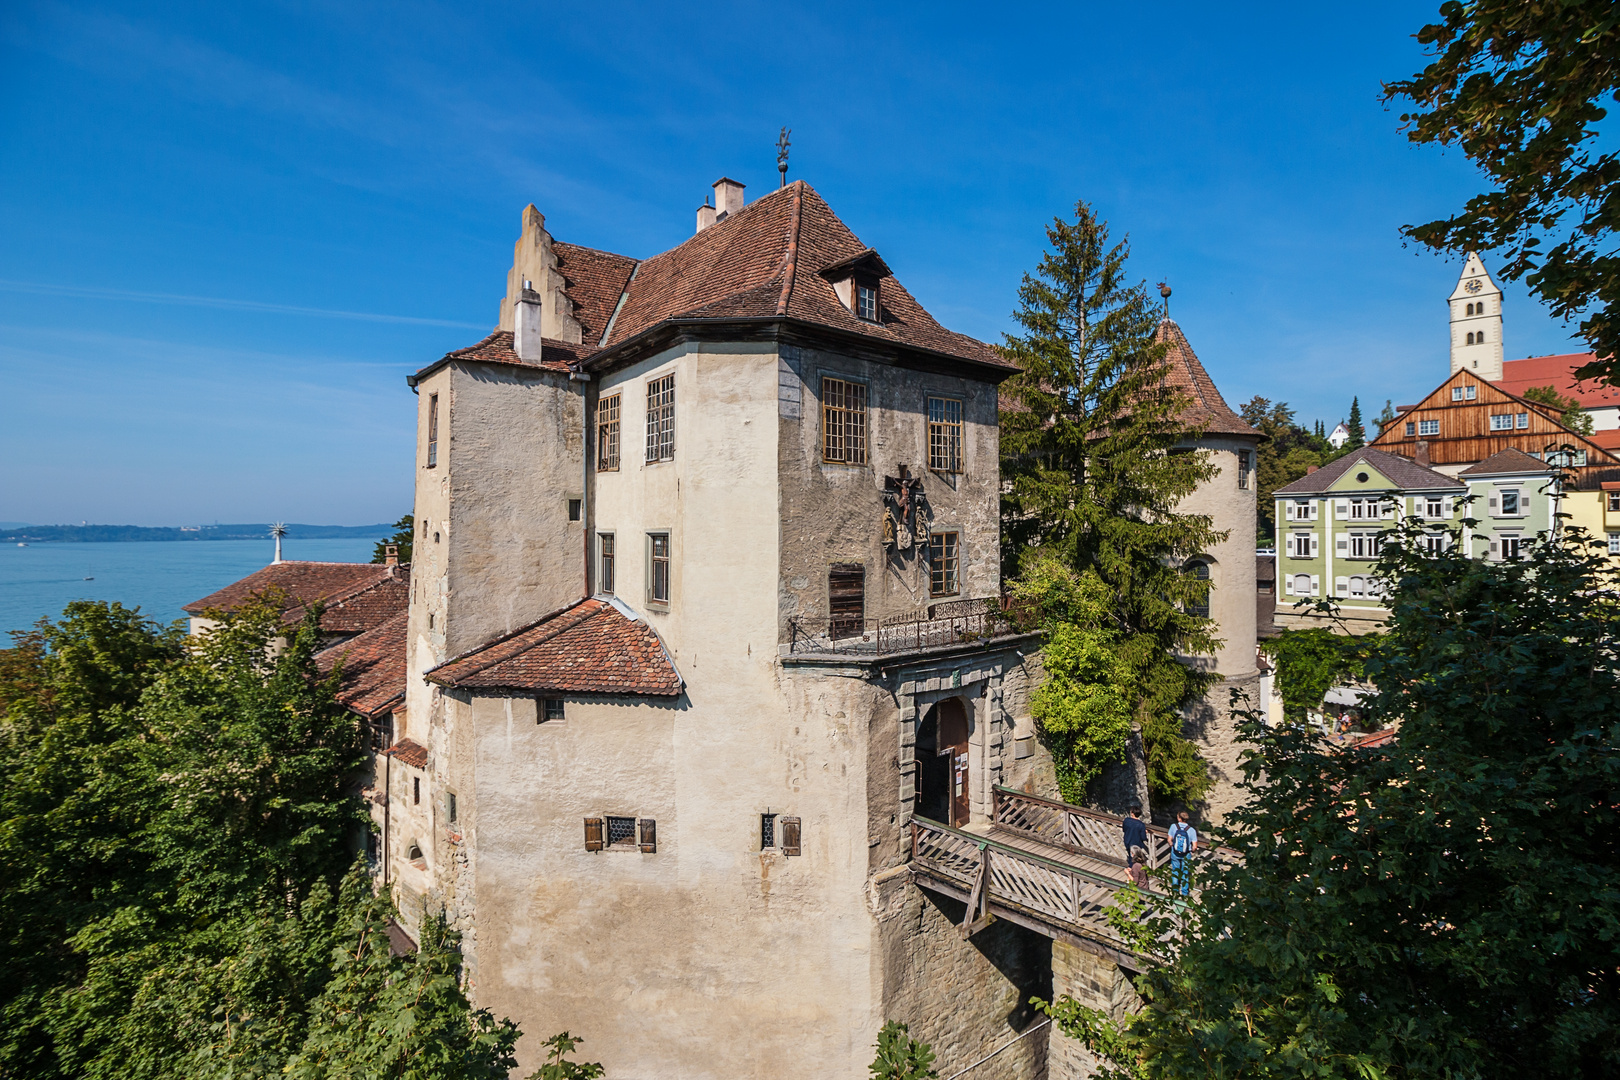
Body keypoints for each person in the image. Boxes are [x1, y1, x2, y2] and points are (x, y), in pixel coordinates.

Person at [1167, 809, 1198, 895]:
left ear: (1179, 818)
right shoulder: (1192, 830)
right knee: (1185, 873)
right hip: (1186, 854)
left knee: (1175, 871)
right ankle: (1184, 893)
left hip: (1175, 852)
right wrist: (1191, 851)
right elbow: (1195, 846)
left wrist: (1172, 846)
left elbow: (1169, 840)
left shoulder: (1174, 826)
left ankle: (1175, 891)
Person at [1122, 803, 1148, 881]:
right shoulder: (1141, 825)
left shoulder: (1126, 820)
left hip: (1127, 841)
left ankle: (1130, 874)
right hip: (1136, 843)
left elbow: (1124, 829)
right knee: (1134, 859)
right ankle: (1131, 874)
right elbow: (1143, 837)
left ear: (1132, 813)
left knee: (1131, 857)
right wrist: (1145, 832)